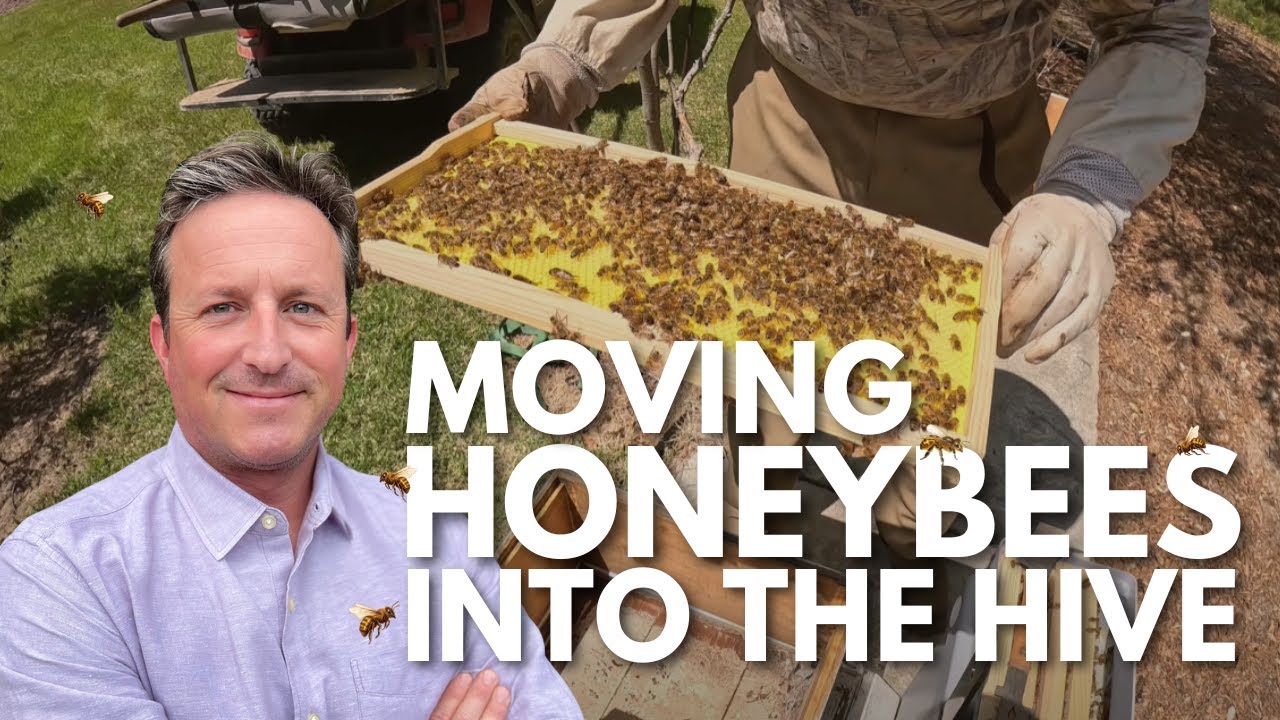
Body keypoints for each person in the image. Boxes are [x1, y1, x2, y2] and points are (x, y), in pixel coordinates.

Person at [449, 0, 1211, 559]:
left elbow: (1156, 26)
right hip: (785, 104)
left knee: (927, 413)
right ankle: (753, 532)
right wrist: (563, 59)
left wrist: (1085, 186)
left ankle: (906, 555)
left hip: (966, 137)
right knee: (757, 369)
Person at [0, 135, 582, 720]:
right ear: (165, 346)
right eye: (222, 307)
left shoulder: (440, 537)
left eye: (303, 307)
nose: (268, 353)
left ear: (347, 344)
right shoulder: (60, 581)